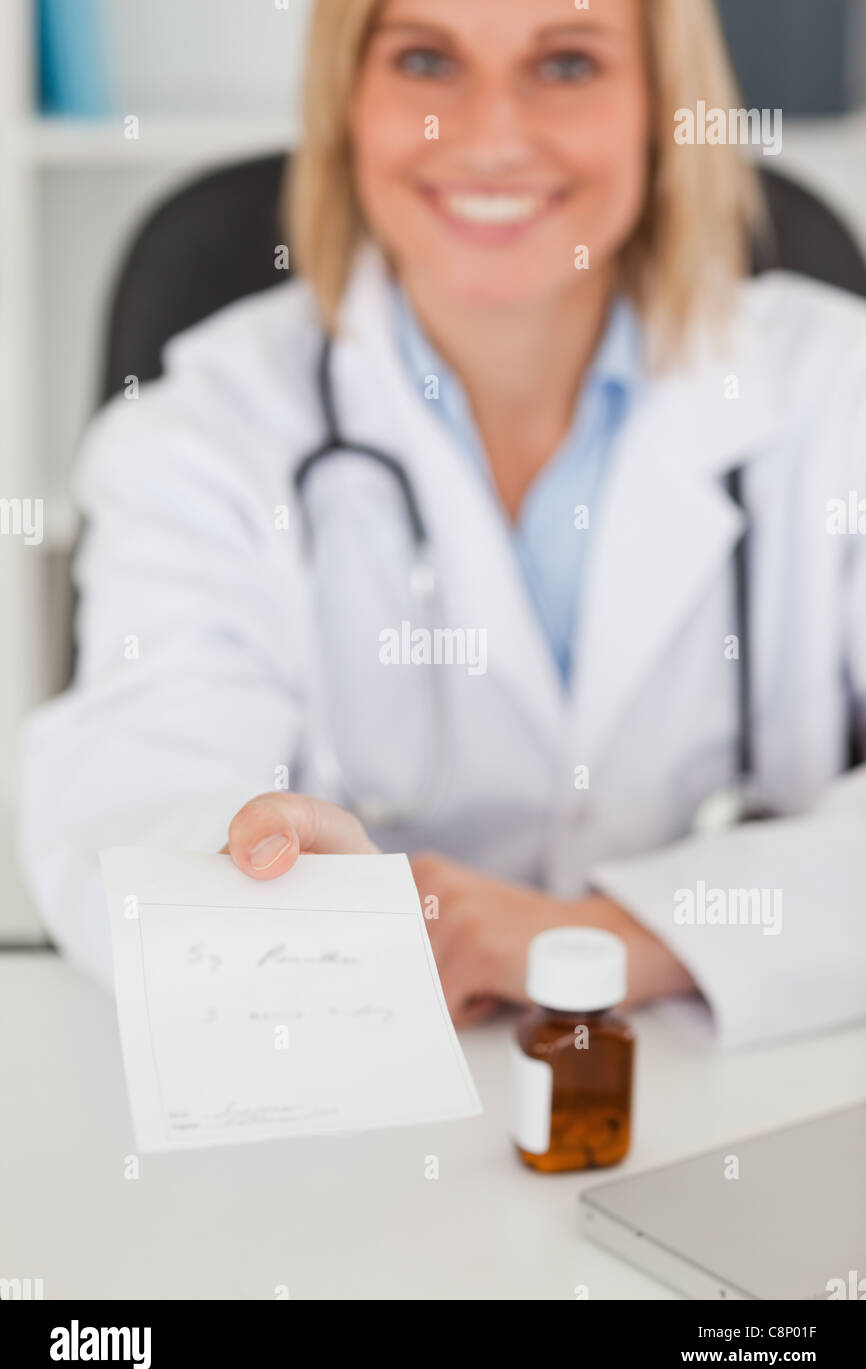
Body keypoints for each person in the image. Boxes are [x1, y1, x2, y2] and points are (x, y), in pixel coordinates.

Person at [21, 0, 866, 1045]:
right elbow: (129, 796)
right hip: (352, 1089)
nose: (490, 134)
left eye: (565, 63)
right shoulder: (200, 433)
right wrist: (250, 870)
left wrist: (602, 935)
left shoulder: (836, 387)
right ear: (347, 99)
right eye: (425, 60)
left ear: (660, 100)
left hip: (726, 1097)